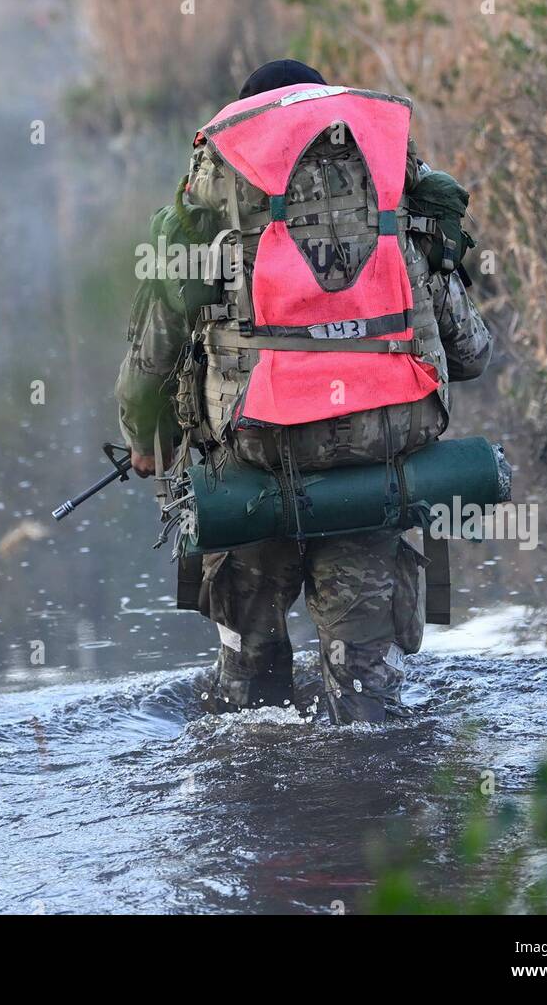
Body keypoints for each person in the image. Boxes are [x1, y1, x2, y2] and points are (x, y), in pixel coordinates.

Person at [115, 60, 492, 722]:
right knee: (368, 702)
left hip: (252, 467)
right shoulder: (392, 210)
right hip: (372, 473)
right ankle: (372, 793)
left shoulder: (206, 221)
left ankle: (264, 782)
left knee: (246, 694)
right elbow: (471, 353)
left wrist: (145, 444)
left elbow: (150, 363)